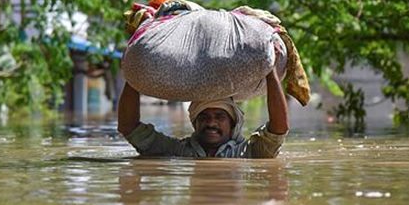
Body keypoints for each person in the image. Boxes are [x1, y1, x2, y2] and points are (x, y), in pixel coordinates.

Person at [117, 63, 289, 159]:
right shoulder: (177, 150)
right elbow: (129, 127)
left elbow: (279, 128)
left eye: (219, 116)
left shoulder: (248, 152)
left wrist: (270, 70)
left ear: (233, 123)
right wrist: (133, 73)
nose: (211, 123)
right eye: (204, 117)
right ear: (195, 122)